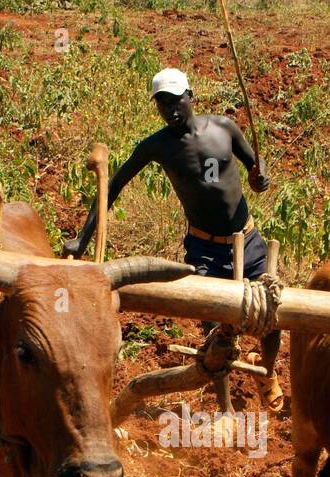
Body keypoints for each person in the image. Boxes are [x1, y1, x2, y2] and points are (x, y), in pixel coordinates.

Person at [63, 68, 283, 411]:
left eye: (176, 100)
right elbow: (114, 187)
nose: (171, 109)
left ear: (190, 96)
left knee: (270, 317)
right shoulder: (158, 147)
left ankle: (267, 373)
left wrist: (260, 178)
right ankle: (224, 409)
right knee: (217, 332)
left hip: (248, 239)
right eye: (162, 104)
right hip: (204, 248)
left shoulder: (224, 128)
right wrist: (82, 237)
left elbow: (256, 165)